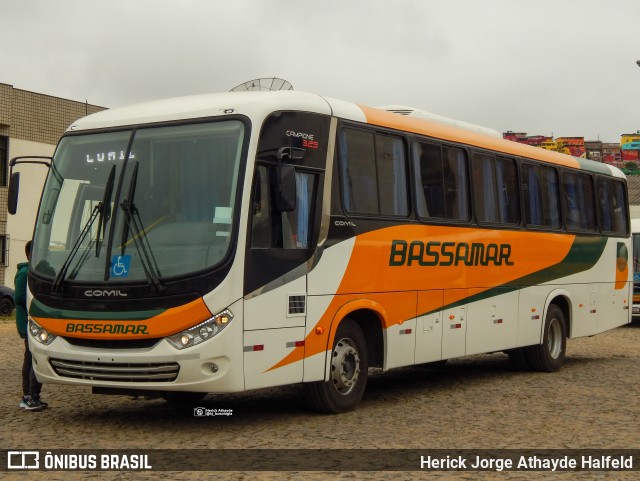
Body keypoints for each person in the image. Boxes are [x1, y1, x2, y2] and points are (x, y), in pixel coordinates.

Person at [16, 240, 47, 411]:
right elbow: (19, 298)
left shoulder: (34, 271)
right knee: (31, 357)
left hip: (33, 321)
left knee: (31, 356)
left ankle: (32, 395)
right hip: (28, 322)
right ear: (30, 254)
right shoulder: (24, 273)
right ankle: (28, 395)